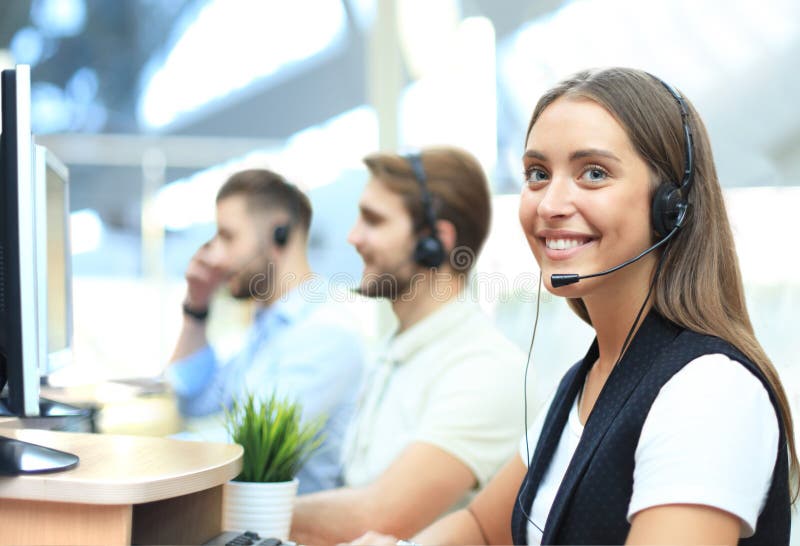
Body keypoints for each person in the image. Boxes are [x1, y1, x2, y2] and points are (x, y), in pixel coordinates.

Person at [350, 68, 797, 546]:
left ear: (672, 205)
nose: (550, 203)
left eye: (594, 173)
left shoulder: (710, 389)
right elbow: (483, 528)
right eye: (537, 174)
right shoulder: (584, 381)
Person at [289, 147, 530, 545]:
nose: (353, 237)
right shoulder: (393, 352)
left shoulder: (485, 369)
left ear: (435, 241)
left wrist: (230, 506)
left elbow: (376, 518)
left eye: (374, 220)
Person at [165, 168, 364, 495]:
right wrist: (196, 307)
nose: (216, 256)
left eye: (227, 237)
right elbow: (192, 399)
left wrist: (146, 452)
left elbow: (249, 448)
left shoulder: (324, 333)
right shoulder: (265, 328)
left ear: (278, 234)